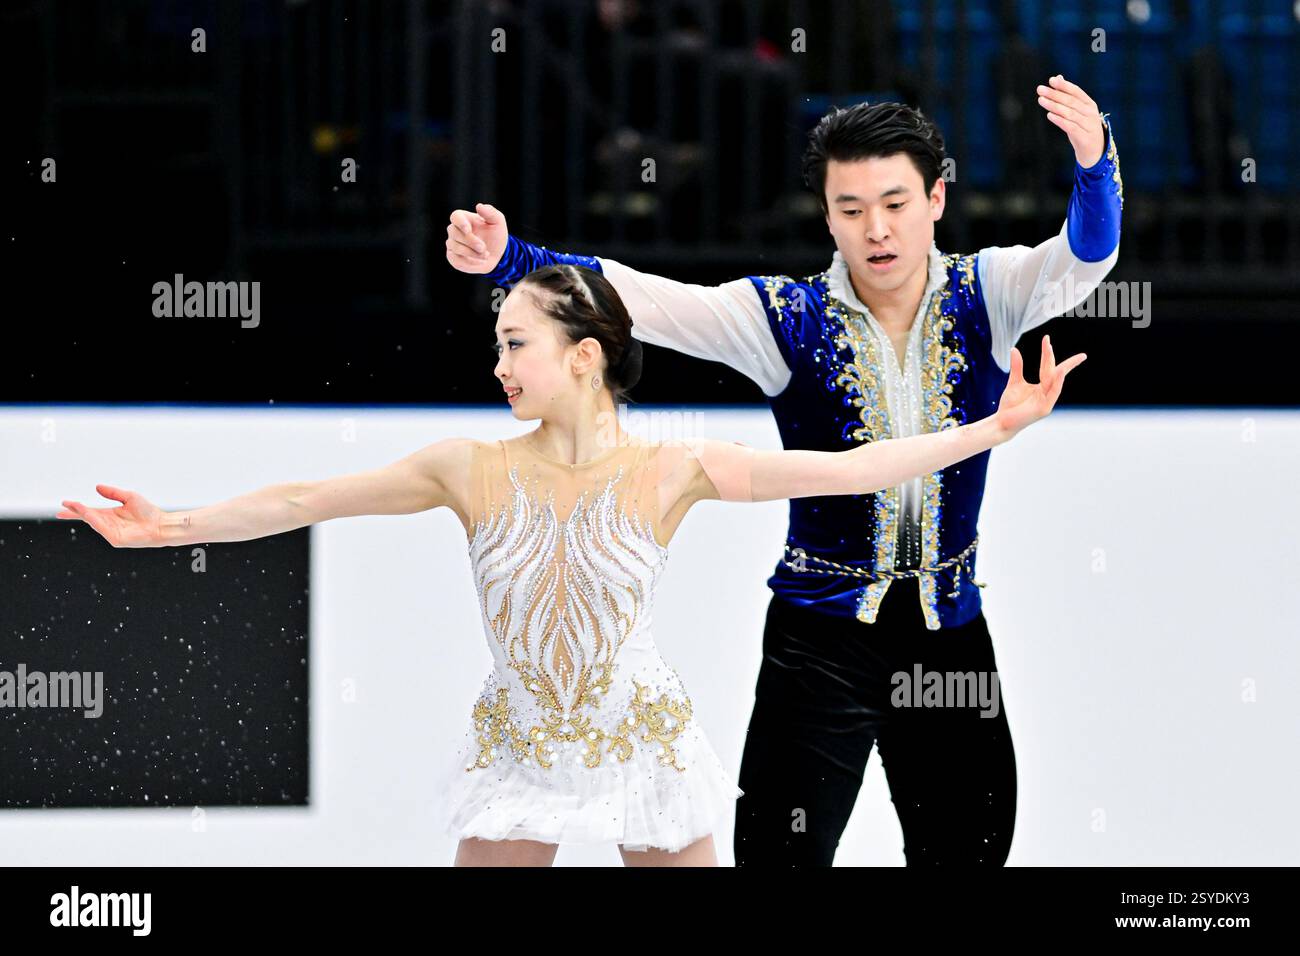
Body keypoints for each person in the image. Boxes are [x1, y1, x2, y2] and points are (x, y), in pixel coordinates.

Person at [57, 263, 1084, 867]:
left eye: (517, 344)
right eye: (497, 346)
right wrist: (171, 524)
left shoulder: (673, 469)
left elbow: (858, 463)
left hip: (641, 733)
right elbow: (301, 500)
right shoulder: (464, 468)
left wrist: (990, 427)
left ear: (583, 355)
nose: (499, 365)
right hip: (516, 740)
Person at [445, 77, 1121, 865]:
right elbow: (648, 300)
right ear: (827, 215)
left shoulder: (989, 293)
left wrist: (1093, 158)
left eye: (896, 204)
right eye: (852, 209)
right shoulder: (784, 318)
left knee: (968, 854)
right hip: (818, 645)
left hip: (949, 641)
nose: (877, 230)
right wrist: (512, 260)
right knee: (777, 855)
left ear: (937, 198)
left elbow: (1087, 255)